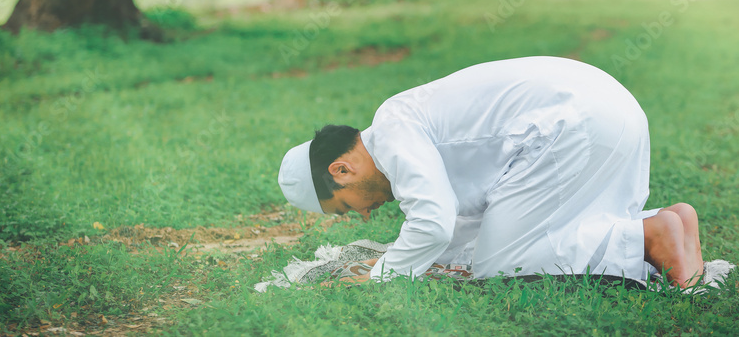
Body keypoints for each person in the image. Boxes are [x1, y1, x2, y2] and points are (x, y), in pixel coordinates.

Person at [278, 56, 706, 288]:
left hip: (573, 123)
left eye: (345, 209)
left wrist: (378, 280)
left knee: (501, 267)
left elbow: (433, 222)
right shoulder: (403, 124)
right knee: (502, 246)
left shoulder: (392, 131)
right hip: (610, 107)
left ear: (342, 169)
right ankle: (670, 225)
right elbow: (466, 226)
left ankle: (646, 238)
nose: (365, 216)